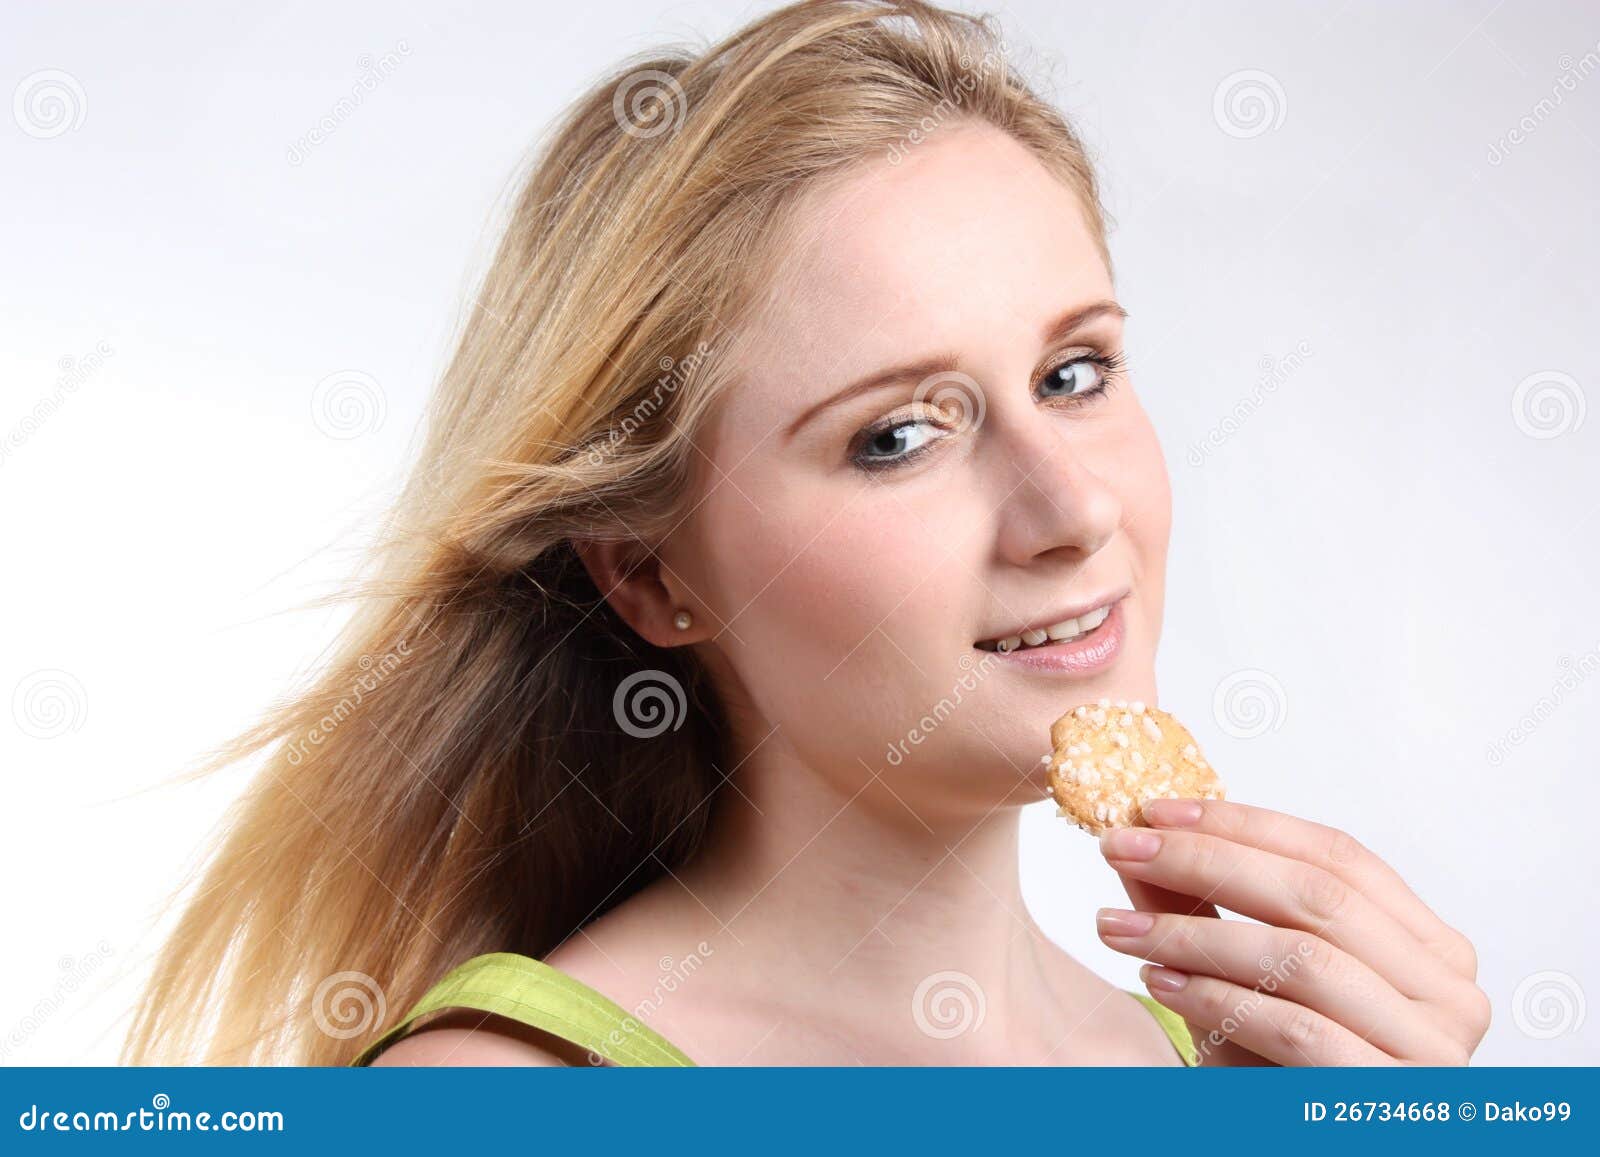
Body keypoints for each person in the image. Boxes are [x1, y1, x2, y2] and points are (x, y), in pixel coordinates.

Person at [123, 0, 1489, 1067]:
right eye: (897, 435)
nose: (1074, 510)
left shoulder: (1228, 1067)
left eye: (1076, 373)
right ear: (651, 575)